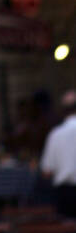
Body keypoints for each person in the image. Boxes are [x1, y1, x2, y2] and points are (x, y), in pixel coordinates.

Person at [40, 90, 76, 219]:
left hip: (65, 194)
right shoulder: (55, 134)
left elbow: (47, 171)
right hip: (65, 192)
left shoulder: (56, 135)